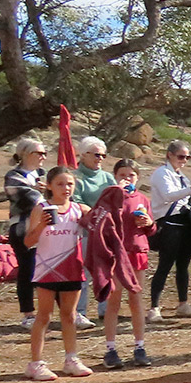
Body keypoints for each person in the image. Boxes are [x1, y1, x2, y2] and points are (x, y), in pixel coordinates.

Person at [23, 167, 93, 380]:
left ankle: (71, 359)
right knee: (44, 316)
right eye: (61, 184)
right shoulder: (41, 208)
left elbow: (101, 226)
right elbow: (28, 242)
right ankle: (35, 363)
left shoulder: (79, 209)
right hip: (47, 268)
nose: (66, 188)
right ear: (50, 186)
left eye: (70, 184)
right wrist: (42, 226)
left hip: (72, 267)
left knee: (70, 316)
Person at [86, 166, 156, 368]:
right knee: (113, 301)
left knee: (136, 299)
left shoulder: (142, 199)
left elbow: (151, 229)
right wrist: (116, 193)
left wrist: (148, 223)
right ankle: (110, 349)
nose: (127, 178)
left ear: (138, 177)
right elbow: (99, 221)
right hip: (117, 254)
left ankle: (140, 346)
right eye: (122, 175)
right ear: (115, 177)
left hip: (137, 252)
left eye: (131, 175)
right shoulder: (109, 198)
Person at [147, 140, 191, 320]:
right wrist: (190, 189)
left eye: (187, 157)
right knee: (164, 265)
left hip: (184, 222)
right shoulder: (161, 173)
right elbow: (167, 196)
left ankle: (183, 303)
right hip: (169, 223)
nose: (184, 161)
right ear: (170, 155)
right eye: (181, 156)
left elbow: (183, 198)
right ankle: (154, 307)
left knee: (183, 264)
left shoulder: (180, 175)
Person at [70, 135, 115, 324]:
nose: (100, 159)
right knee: (84, 273)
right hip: (86, 232)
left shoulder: (107, 177)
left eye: (103, 155)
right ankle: (79, 312)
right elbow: (77, 202)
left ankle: (106, 310)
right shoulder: (75, 177)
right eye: (96, 155)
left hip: (106, 232)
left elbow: (116, 198)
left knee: (106, 271)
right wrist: (96, 214)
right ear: (84, 154)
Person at [5, 137, 49, 328]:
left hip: (47, 228)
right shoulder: (13, 176)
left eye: (44, 153)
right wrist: (46, 192)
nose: (43, 157)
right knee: (27, 269)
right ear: (24, 154)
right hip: (22, 229)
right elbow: (29, 200)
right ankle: (28, 314)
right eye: (38, 153)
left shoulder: (43, 175)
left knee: (48, 269)